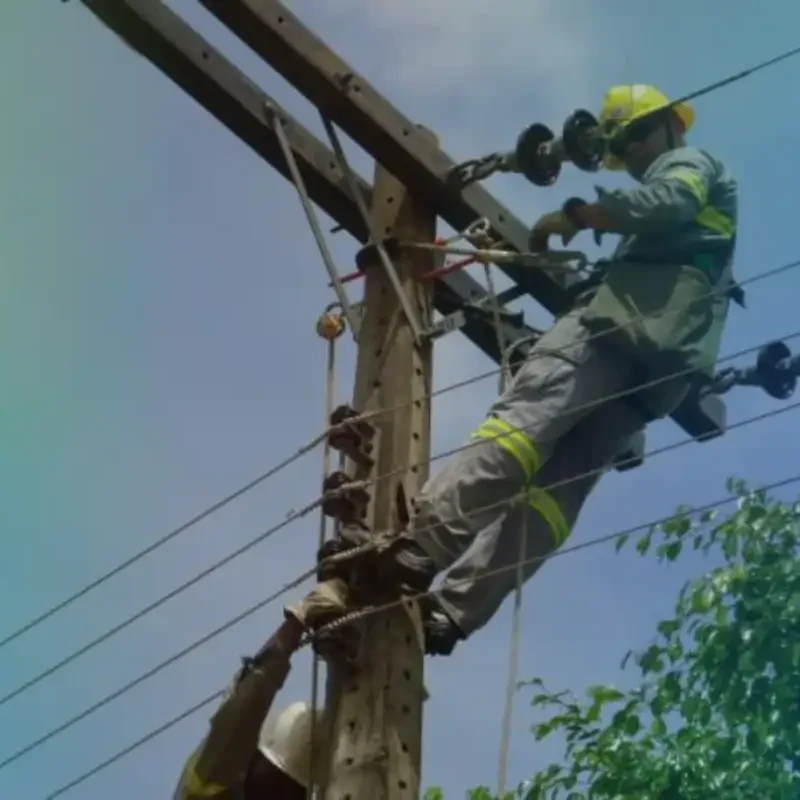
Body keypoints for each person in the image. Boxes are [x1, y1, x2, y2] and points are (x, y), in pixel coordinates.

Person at [324, 84, 740, 656]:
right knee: (555, 493)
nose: (633, 156)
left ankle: (422, 544)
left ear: (665, 126)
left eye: (631, 140)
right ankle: (454, 611)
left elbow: (668, 200)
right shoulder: (704, 232)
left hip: (620, 329)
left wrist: (583, 216)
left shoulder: (690, 164)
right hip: (663, 374)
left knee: (520, 426)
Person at [173, 580, 346, 799]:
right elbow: (245, 707)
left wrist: (299, 621)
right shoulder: (211, 779)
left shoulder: (215, 779)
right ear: (254, 761)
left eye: (286, 795)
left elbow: (246, 705)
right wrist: (300, 619)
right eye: (272, 786)